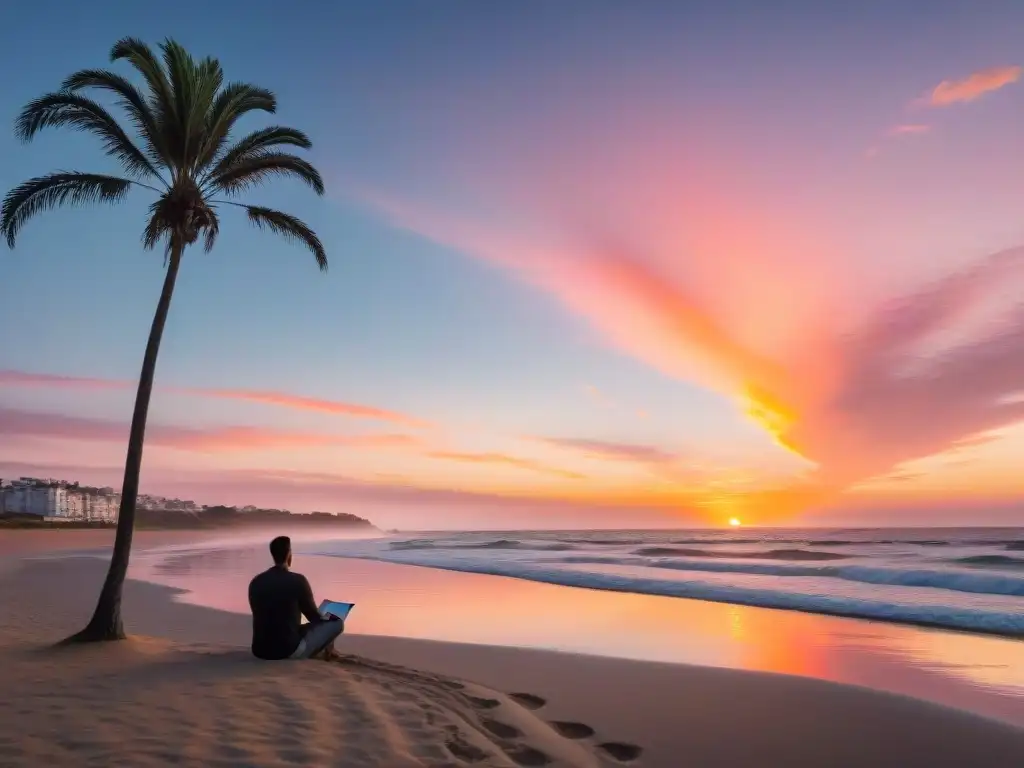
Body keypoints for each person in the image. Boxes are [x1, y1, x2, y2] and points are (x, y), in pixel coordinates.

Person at [248, 535, 344, 660]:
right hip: (287, 651)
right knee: (337, 623)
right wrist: (327, 616)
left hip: (260, 651)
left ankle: (328, 649)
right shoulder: (298, 580)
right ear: (289, 555)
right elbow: (314, 617)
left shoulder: (256, 582)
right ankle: (329, 651)